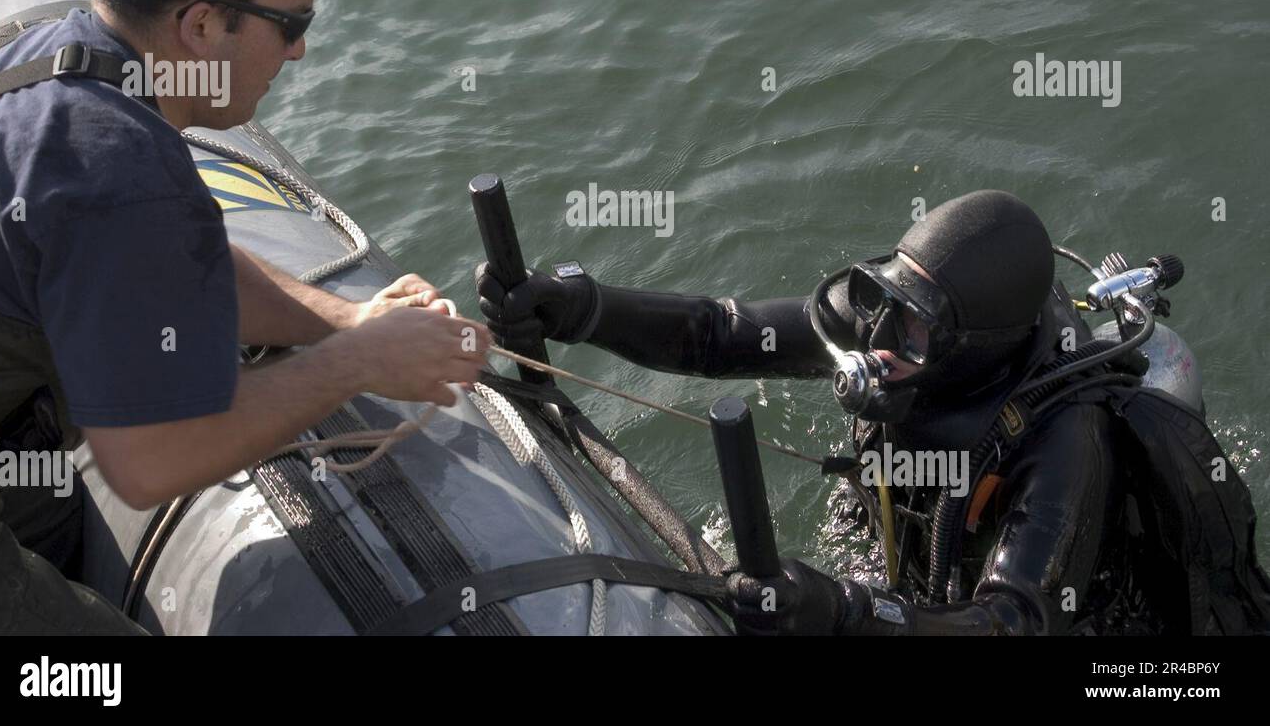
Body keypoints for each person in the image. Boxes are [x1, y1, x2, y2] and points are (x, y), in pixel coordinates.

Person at [0, 0, 489, 634]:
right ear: (204, 24)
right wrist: (359, 363)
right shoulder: (110, 161)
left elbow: (179, 263)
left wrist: (344, 321)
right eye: (292, 25)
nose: (299, 53)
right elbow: (153, 462)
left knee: (53, 516)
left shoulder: (71, 63)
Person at [477, 189, 1270, 634]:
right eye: (885, 301)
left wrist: (848, 611)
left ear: (980, 346)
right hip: (919, 556)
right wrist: (579, 309)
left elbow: (1012, 622)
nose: (879, 341)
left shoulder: (1068, 439)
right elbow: (719, 333)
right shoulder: (897, 329)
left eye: (916, 325)